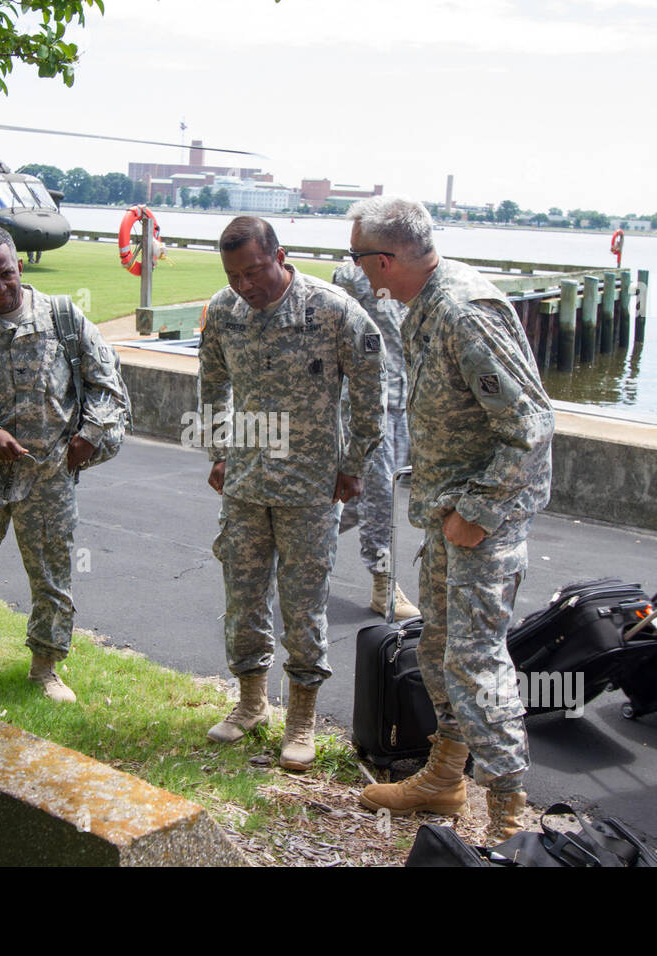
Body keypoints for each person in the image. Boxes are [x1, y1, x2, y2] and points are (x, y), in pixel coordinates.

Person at [346, 197, 554, 844]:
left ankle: (509, 818)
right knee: (437, 651)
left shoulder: (462, 313)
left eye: (358, 259)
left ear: (383, 260)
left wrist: (479, 510)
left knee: (474, 661)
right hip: (447, 512)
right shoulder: (423, 302)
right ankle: (444, 776)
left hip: (480, 520)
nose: (356, 272)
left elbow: (531, 425)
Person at [199, 216, 385, 770]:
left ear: (280, 256)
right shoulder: (224, 313)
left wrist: (353, 466)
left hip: (310, 486)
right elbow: (211, 382)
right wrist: (219, 450)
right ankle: (251, 703)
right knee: (243, 597)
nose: (245, 285)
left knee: (303, 606)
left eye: (253, 271)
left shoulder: (333, 311)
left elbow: (372, 395)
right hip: (246, 484)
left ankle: (300, 718)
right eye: (234, 274)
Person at [0, 225, 129, 701]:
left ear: (19, 266)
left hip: (49, 478)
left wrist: (90, 436)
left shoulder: (63, 318)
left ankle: (45, 668)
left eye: (6, 273)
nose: (0, 286)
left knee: (52, 575)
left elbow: (108, 382)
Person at [332, 261, 419, 620]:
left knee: (354, 500)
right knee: (381, 491)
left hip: (404, 401)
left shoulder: (416, 279)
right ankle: (384, 581)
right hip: (367, 402)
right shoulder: (356, 277)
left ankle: (295, 545)